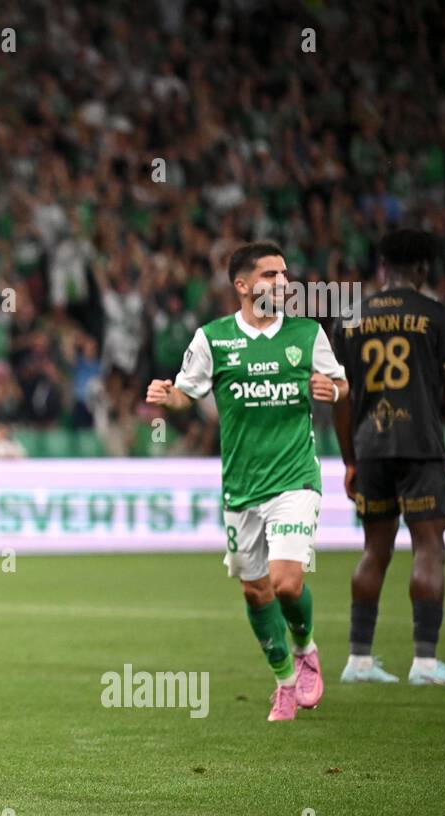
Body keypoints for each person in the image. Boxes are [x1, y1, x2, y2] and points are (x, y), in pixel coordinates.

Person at [147, 242, 348, 721]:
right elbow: (186, 394)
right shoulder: (213, 338)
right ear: (242, 285)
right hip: (241, 486)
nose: (283, 283)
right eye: (270, 275)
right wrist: (165, 395)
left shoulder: (307, 333)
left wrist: (332, 390)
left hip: (295, 478)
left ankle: (306, 649)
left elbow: (340, 384)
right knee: (255, 591)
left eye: (284, 274)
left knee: (285, 583)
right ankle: (283, 680)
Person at [332, 229, 445, 687]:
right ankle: (426, 663)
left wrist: (349, 459)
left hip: (371, 449)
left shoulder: (350, 318)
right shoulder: (436, 315)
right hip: (420, 447)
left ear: (381, 269)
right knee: (429, 547)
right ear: (421, 270)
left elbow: (340, 397)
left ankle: (358, 660)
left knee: (375, 550)